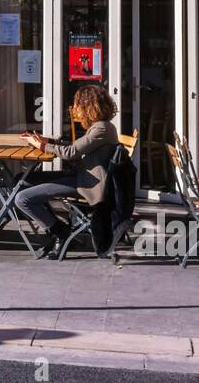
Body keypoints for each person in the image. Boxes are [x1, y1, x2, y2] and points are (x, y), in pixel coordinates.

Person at [16, 84, 121, 258]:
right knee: (21, 180)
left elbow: (71, 153)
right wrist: (46, 141)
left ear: (88, 106)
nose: (74, 109)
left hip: (88, 184)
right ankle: (53, 226)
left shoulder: (101, 128)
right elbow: (74, 147)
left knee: (22, 198)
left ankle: (60, 231)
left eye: (77, 105)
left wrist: (41, 145)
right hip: (83, 177)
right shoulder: (100, 126)